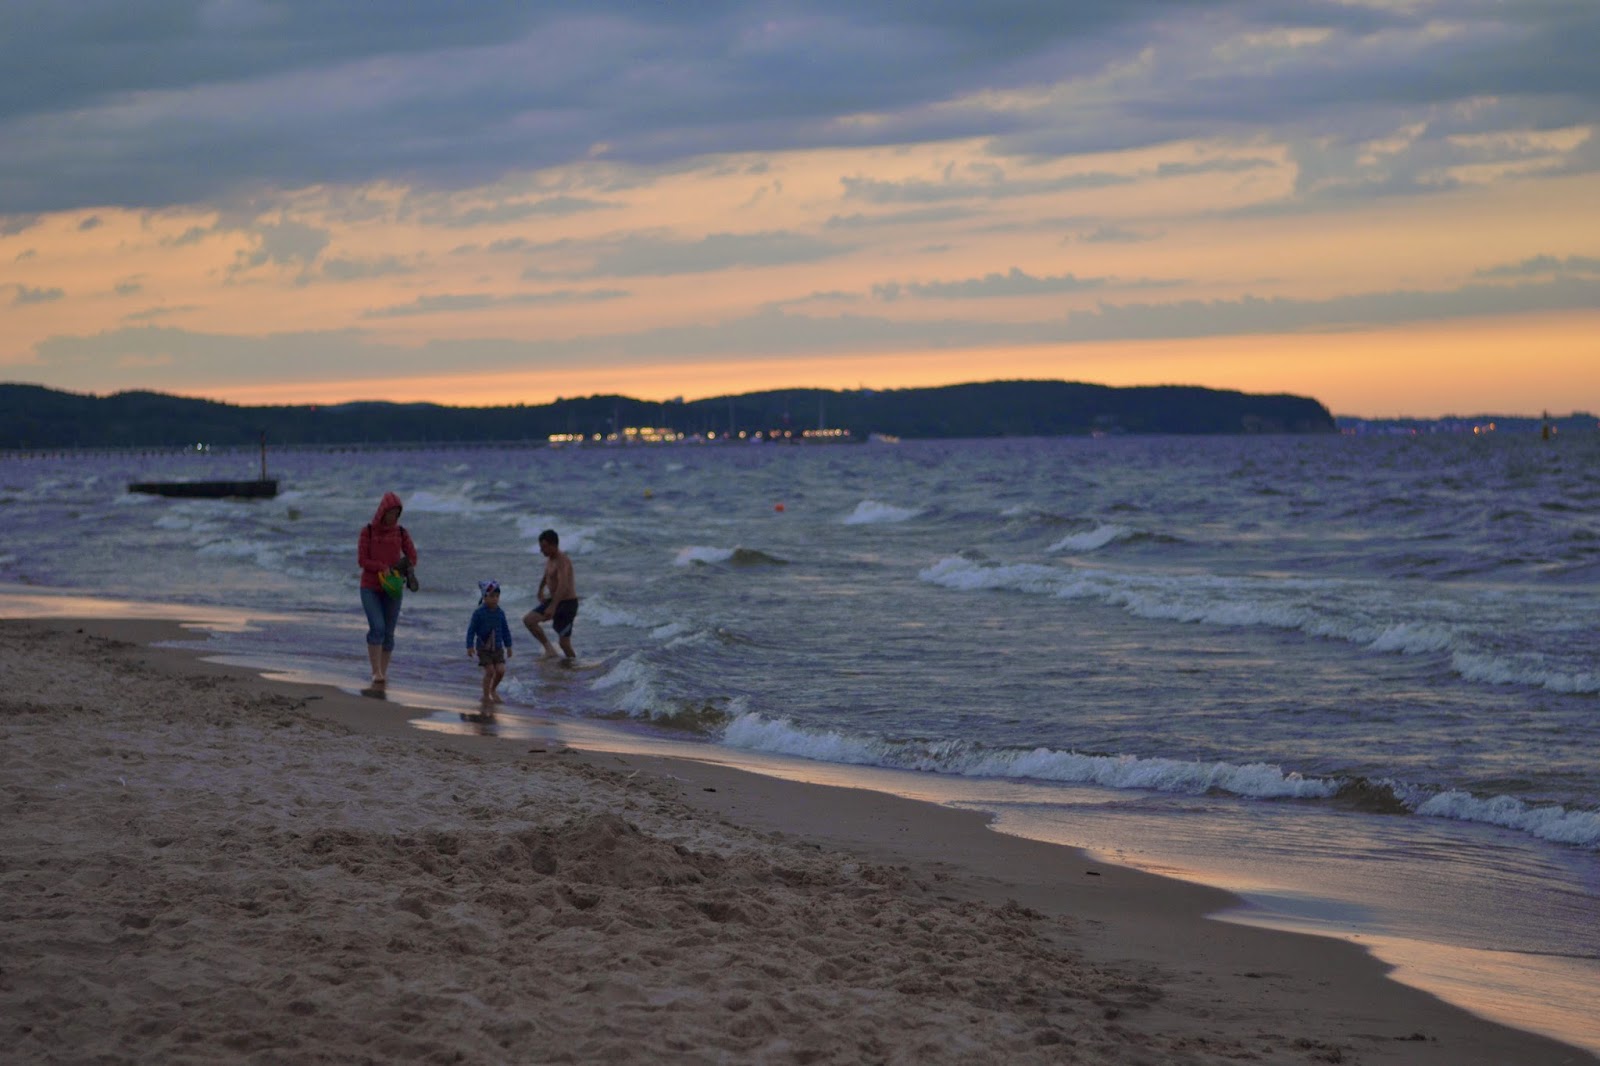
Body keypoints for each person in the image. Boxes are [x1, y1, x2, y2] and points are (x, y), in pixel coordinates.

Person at [357, 491, 417, 687]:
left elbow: (412, 556)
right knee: (378, 627)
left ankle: (382, 672)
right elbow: (362, 560)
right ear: (382, 512)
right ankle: (375, 671)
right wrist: (382, 567)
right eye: (390, 512)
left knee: (389, 633)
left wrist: (404, 568)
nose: (393, 517)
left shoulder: (401, 532)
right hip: (370, 587)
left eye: (396, 513)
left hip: (393, 587)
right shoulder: (368, 531)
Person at [524, 528, 578, 663]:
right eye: (541, 547)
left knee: (564, 643)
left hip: (566, 604)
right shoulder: (550, 559)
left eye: (544, 547)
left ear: (554, 545)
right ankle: (550, 650)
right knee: (529, 620)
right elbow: (547, 574)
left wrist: (553, 607)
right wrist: (540, 589)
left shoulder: (562, 561)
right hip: (554, 600)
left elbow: (563, 585)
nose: (541, 551)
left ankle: (575, 666)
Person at [465, 580, 513, 703]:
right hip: (483, 648)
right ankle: (486, 695)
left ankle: (493, 690)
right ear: (484, 597)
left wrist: (509, 646)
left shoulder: (500, 613)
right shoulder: (478, 613)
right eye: (492, 596)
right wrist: (469, 646)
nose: (495, 599)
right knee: (490, 671)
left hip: (498, 648)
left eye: (497, 596)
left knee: (501, 670)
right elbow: (471, 630)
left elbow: (505, 630)